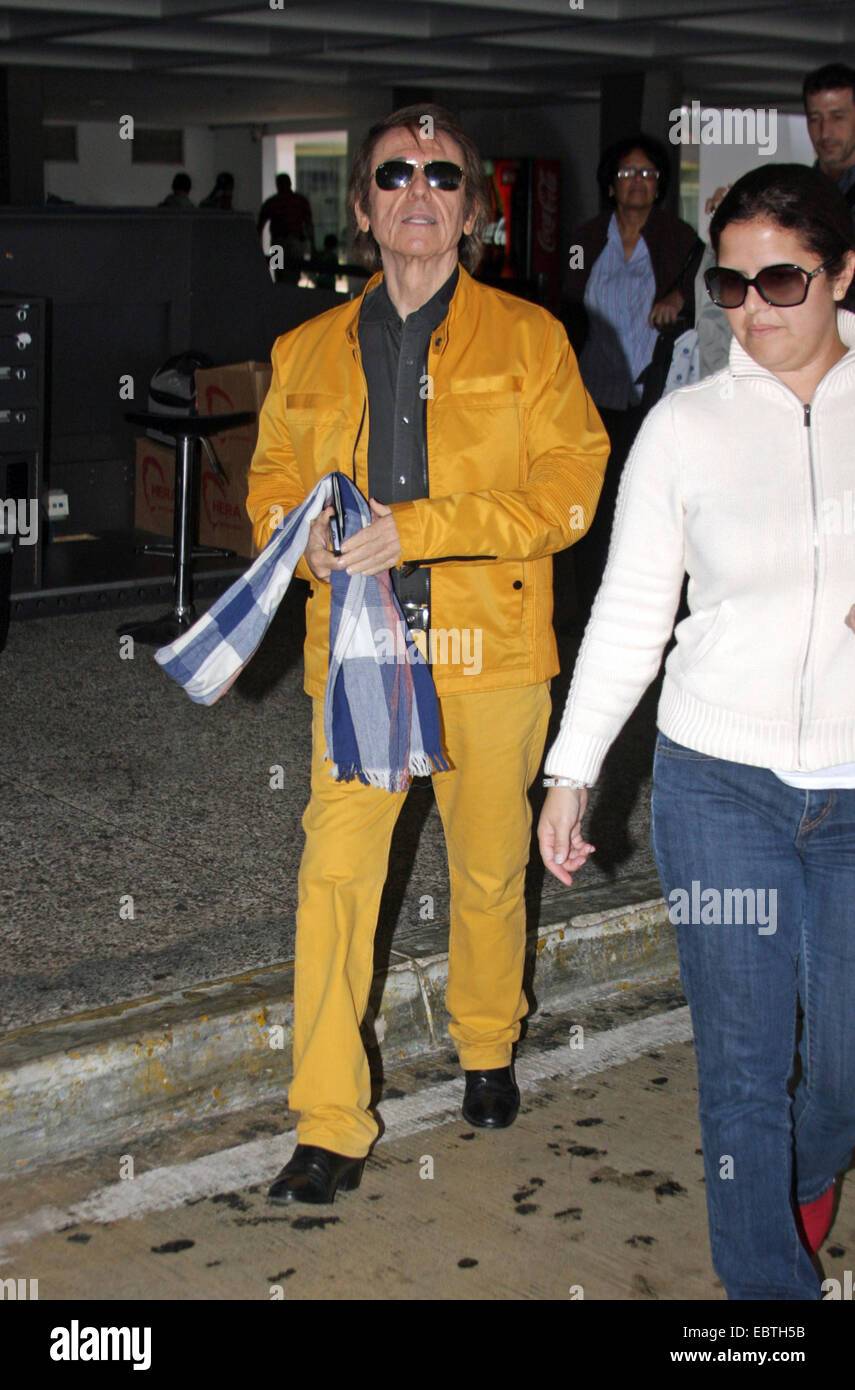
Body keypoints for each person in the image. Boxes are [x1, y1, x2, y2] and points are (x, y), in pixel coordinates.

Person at [246, 103, 609, 1206]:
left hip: (488, 649)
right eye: (394, 173)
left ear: (474, 209)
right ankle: (328, 1117)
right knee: (336, 876)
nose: (418, 190)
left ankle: (488, 1041)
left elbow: (571, 491)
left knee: (490, 868)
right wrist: (297, 536)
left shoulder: (531, 339)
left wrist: (429, 524)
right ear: (362, 208)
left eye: (441, 175)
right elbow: (266, 485)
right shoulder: (302, 351)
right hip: (358, 650)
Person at [538, 163, 855, 1301]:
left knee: (842, 1080)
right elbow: (629, 609)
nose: (754, 309)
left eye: (784, 279)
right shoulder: (684, 427)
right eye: (731, 283)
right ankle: (768, 1297)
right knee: (742, 1070)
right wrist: (571, 771)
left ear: (844, 272)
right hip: (721, 784)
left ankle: (799, 1179)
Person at [564, 133, 702, 615]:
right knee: (592, 504)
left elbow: (701, 288)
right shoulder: (584, 240)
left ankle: (641, 608)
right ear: (610, 185)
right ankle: (587, 611)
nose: (637, 182)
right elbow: (566, 295)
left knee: (642, 503)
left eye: (646, 173)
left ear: (660, 182)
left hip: (650, 394)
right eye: (627, 174)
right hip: (592, 391)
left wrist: (679, 299)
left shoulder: (678, 240)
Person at [257, 173, 315, 284]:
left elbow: (260, 227)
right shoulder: (299, 201)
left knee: (283, 274)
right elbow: (309, 224)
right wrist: (312, 245)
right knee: (289, 273)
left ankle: (284, 296)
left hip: (282, 242)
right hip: (288, 242)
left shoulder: (273, 202)